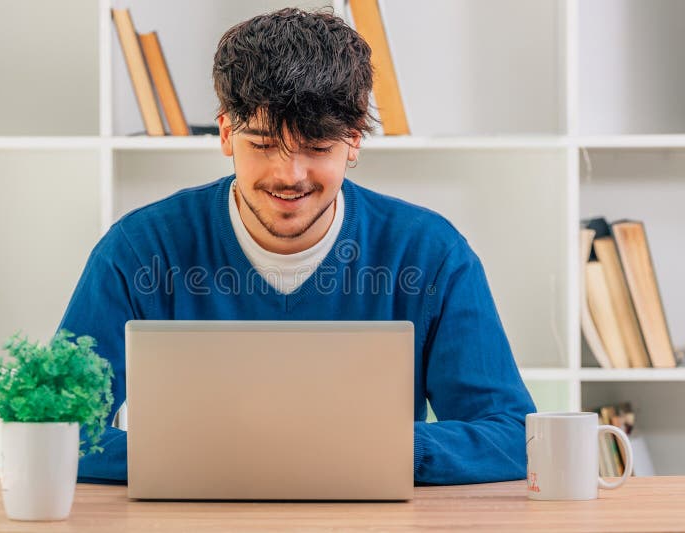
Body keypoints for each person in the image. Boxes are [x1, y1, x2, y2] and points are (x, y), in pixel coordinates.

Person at [58, 7, 536, 486]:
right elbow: (54, 428)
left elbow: (513, 436)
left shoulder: (430, 254)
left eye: (317, 147)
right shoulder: (139, 251)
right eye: (263, 145)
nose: (290, 176)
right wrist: (212, 456)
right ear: (226, 133)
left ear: (353, 141)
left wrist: (378, 448)